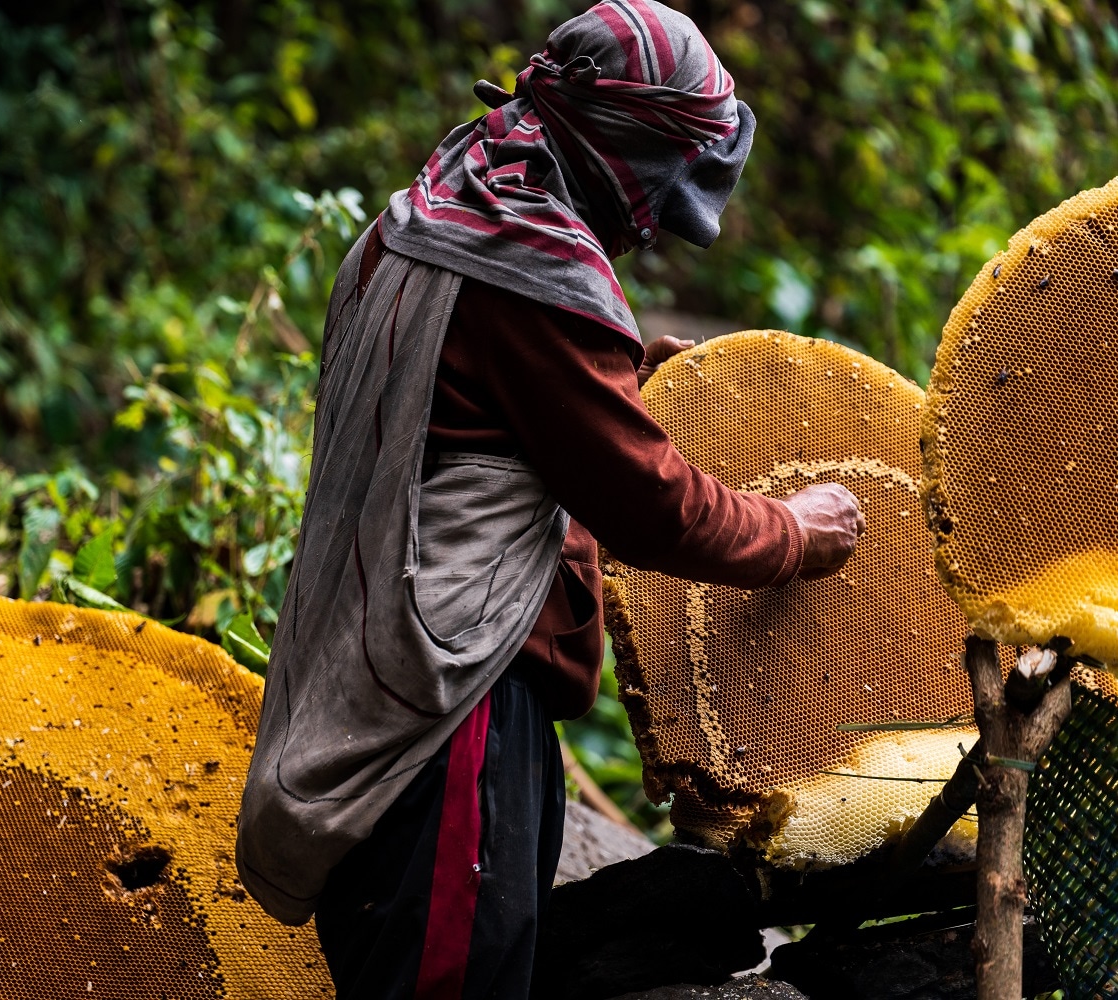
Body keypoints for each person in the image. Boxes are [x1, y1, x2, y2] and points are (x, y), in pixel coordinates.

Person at [236, 2, 865, 997]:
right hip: (450, 718)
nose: (658, 221)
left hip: (379, 685)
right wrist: (793, 530)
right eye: (665, 180)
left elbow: (487, 427)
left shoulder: (442, 207)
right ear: (626, 150)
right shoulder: (529, 269)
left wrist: (613, 390)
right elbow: (654, 508)